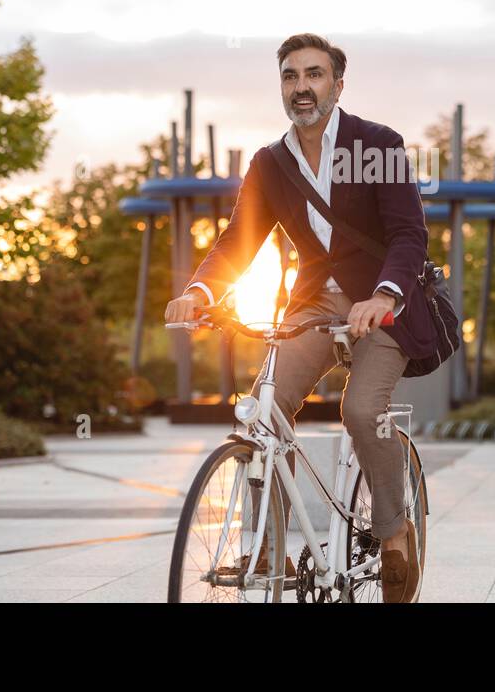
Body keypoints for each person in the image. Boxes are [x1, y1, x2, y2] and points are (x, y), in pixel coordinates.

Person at [164, 32, 431, 602]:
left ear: (337, 83)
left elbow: (409, 233)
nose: (301, 87)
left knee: (362, 412)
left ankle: (393, 534)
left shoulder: (377, 144)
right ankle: (267, 545)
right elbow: (239, 239)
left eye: (314, 74)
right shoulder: (271, 163)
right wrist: (201, 290)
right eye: (290, 76)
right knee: (263, 412)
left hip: (380, 303)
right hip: (313, 303)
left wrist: (384, 294)